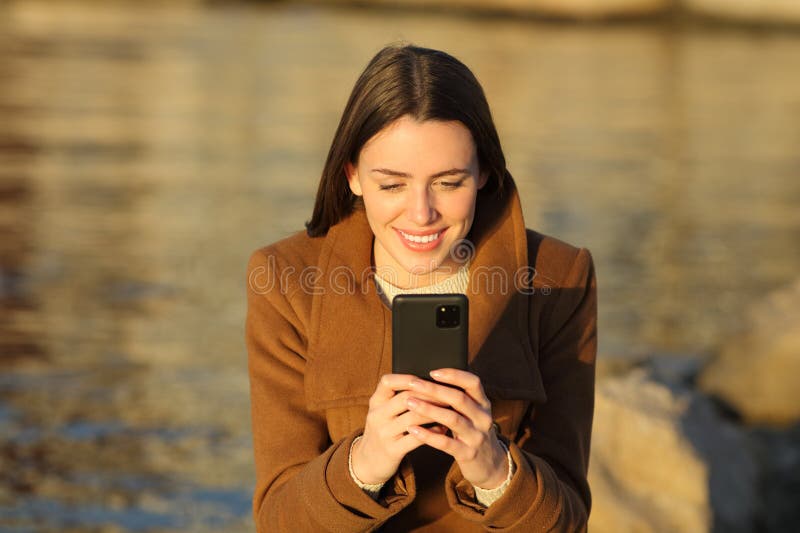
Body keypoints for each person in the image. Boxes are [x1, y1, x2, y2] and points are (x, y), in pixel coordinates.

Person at [245, 43, 597, 532]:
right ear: (352, 176)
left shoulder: (559, 277)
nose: (420, 214)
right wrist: (363, 464)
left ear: (485, 173)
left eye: (449, 183)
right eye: (392, 184)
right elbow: (278, 523)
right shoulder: (285, 280)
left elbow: (568, 523)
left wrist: (495, 470)